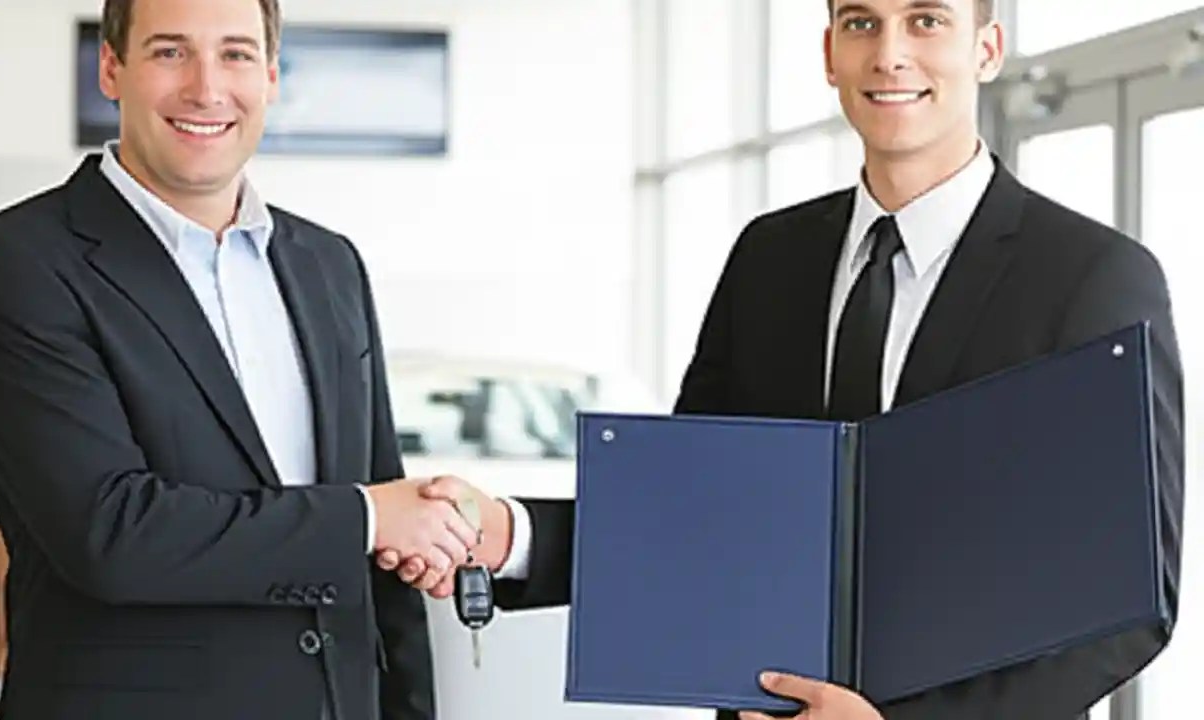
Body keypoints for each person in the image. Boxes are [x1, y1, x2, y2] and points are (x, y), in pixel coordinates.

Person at [380, 0, 1185, 718]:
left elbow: (1131, 602)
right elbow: (692, 513)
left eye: (926, 20)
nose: (890, 54)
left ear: (986, 49)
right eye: (861, 22)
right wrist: (510, 534)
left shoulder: (1091, 278)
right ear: (829, 52)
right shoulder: (769, 258)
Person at [0, 0, 478, 718]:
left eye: (236, 54)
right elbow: (111, 533)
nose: (206, 88)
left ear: (271, 75)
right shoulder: (18, 263)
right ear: (111, 68)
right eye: (170, 52)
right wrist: (365, 519)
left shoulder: (328, 264)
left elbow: (383, 539)